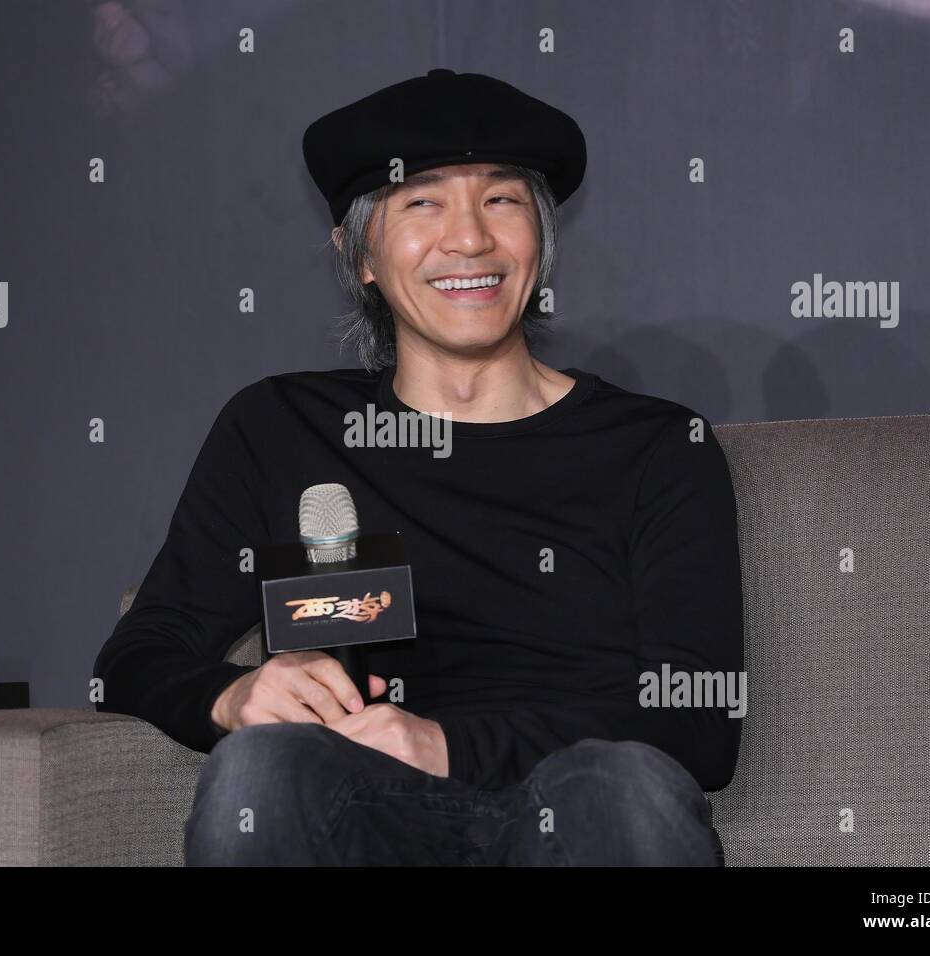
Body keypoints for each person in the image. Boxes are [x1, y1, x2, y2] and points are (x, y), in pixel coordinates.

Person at [93, 68, 744, 866]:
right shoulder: (282, 431)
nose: (470, 238)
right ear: (359, 252)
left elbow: (701, 721)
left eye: (502, 200)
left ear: (539, 243)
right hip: (366, 809)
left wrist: (445, 741)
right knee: (259, 772)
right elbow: (138, 654)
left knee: (626, 791)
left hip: (579, 810)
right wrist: (231, 695)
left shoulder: (655, 449)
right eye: (422, 202)